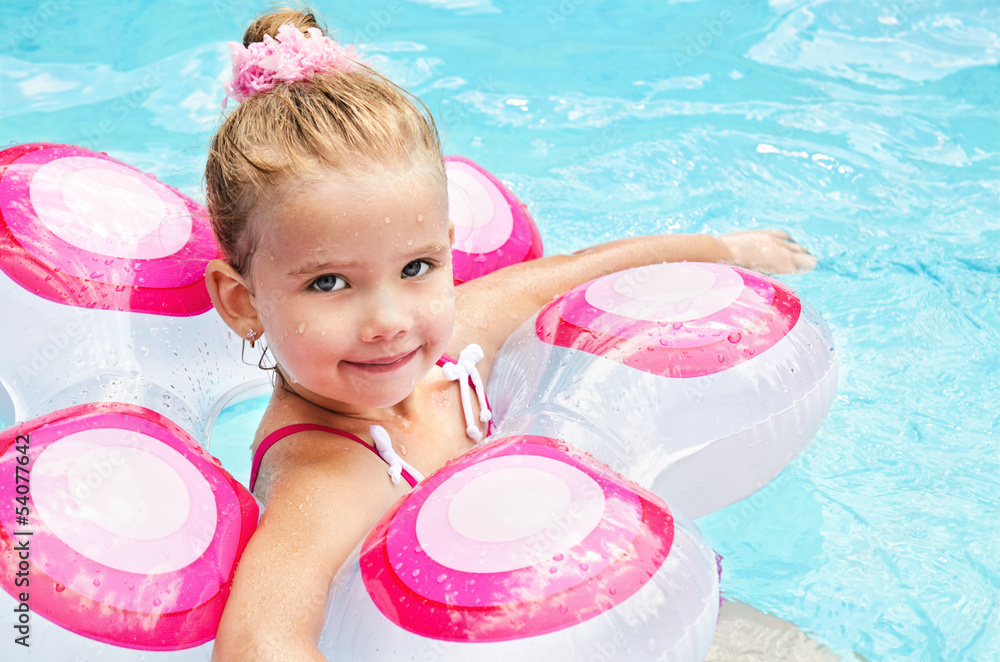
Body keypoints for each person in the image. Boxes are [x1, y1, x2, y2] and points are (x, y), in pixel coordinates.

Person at [203, 8, 818, 660]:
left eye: (416, 268)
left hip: (602, 598)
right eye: (328, 283)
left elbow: (580, 270)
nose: (388, 320)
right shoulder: (324, 478)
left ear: (447, 250)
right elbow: (258, 640)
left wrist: (724, 245)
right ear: (242, 303)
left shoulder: (455, 345)